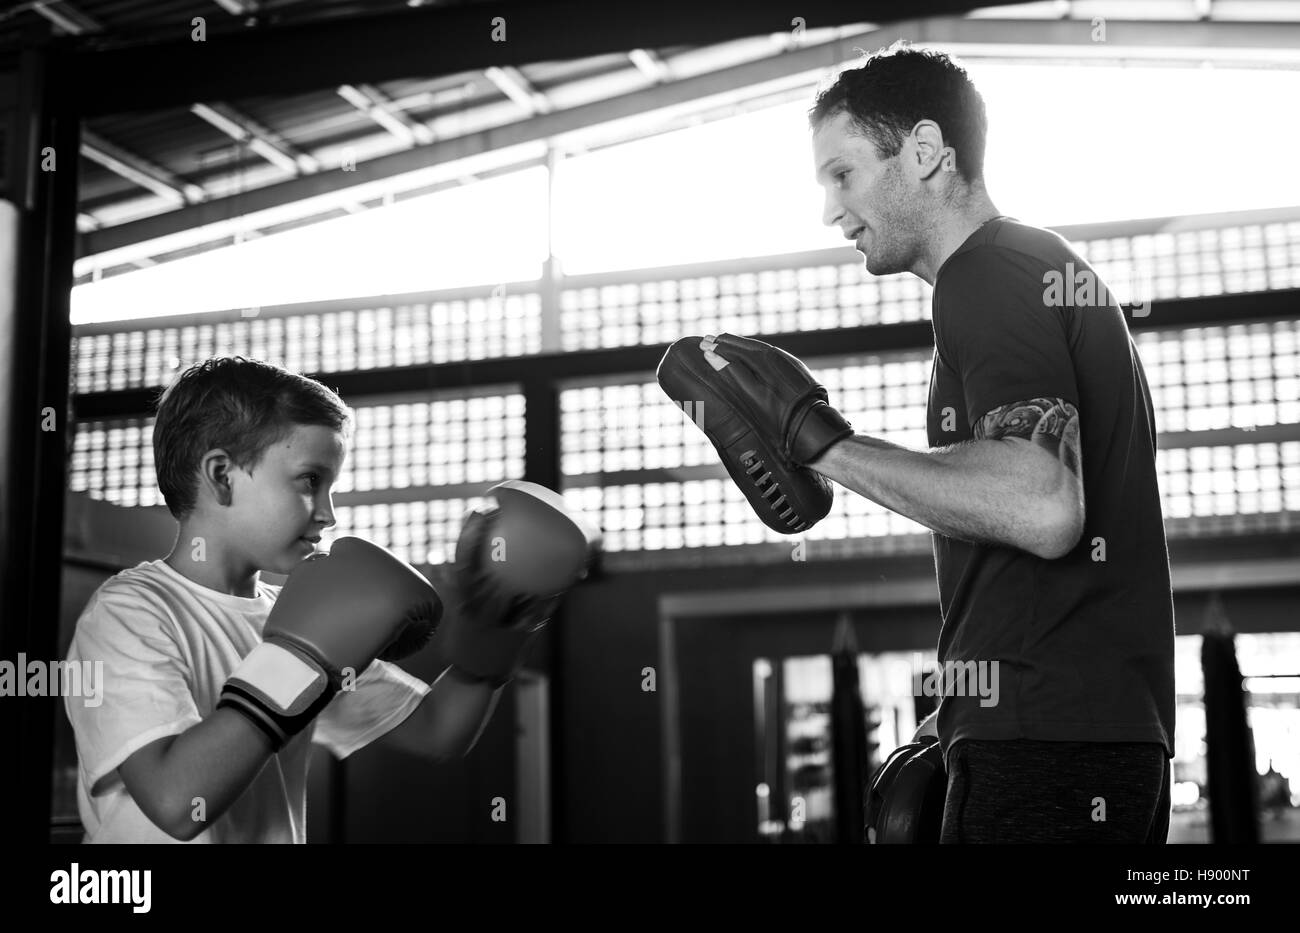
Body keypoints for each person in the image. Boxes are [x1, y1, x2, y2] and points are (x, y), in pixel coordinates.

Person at [729, 44, 1174, 842]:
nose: (831, 211)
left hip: (1049, 747)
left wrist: (822, 443)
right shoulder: (1027, 269)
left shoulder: (990, 273)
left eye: (843, 174)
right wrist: (963, 707)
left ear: (926, 153)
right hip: (1072, 737)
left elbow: (1042, 504)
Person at [63, 357, 594, 843]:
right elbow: (177, 802)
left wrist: (495, 624)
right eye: (309, 481)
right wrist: (302, 659)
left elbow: (440, 730)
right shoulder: (130, 614)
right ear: (222, 476)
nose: (328, 513)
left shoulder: (296, 612)